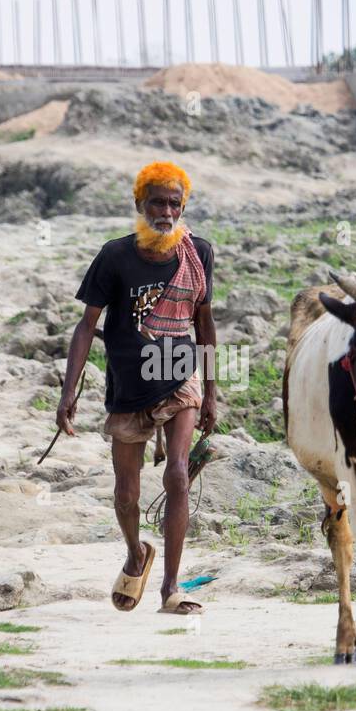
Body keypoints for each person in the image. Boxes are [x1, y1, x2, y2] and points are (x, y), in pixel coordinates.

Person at [57, 161, 217, 615]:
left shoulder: (198, 253)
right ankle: (135, 553)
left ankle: (170, 588)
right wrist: (68, 392)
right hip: (128, 383)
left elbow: (204, 322)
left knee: (178, 474)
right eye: (157, 202)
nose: (165, 210)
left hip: (180, 372)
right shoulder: (114, 256)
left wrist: (211, 389)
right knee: (127, 493)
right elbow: (86, 326)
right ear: (139, 205)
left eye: (174, 202)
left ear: (183, 206)